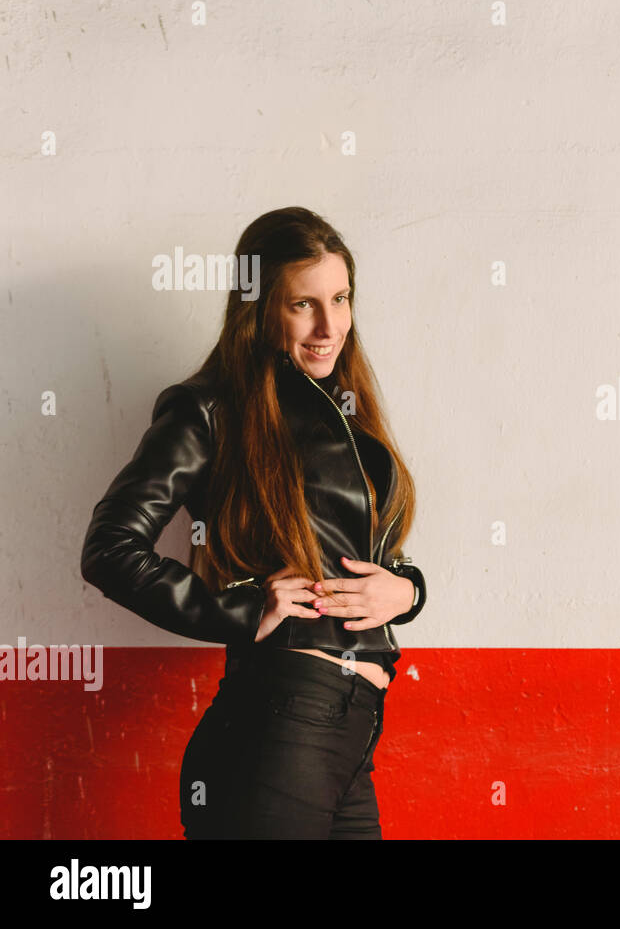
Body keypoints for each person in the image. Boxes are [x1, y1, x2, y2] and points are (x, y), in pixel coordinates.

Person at [80, 206, 427, 838]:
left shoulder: (344, 412)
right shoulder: (209, 410)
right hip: (280, 727)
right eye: (303, 305)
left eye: (341, 298)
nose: (330, 326)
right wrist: (241, 610)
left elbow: (355, 552)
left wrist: (407, 590)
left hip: (349, 737)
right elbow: (110, 548)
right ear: (260, 306)